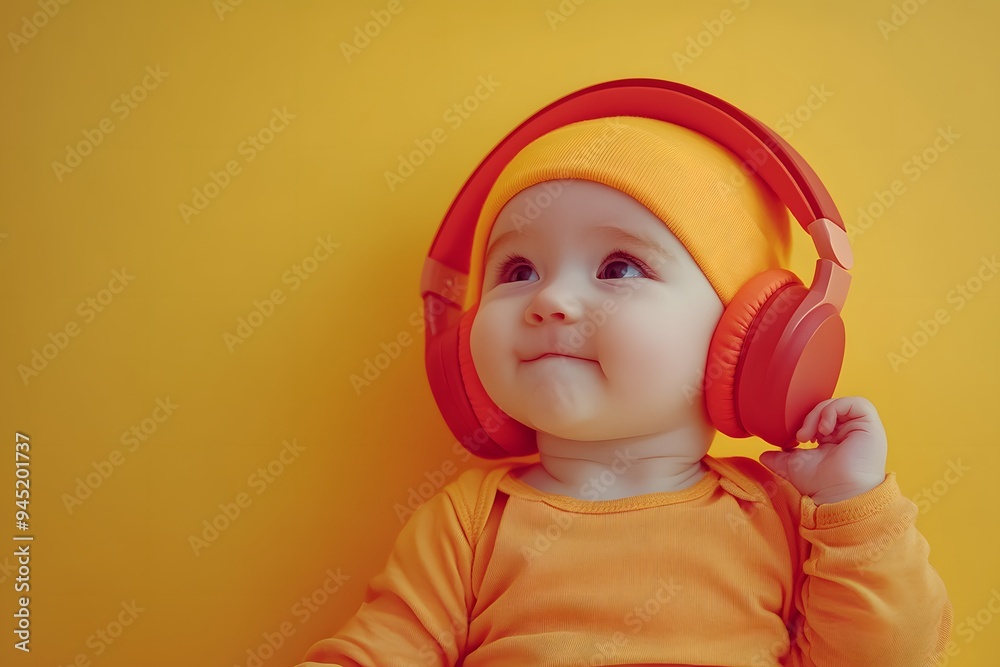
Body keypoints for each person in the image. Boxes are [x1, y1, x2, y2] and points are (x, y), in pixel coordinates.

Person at [297, 112, 952, 666]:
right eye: (517, 268)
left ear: (749, 334)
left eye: (618, 266)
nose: (551, 298)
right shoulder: (469, 523)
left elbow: (892, 653)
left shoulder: (782, 514)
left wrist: (853, 501)